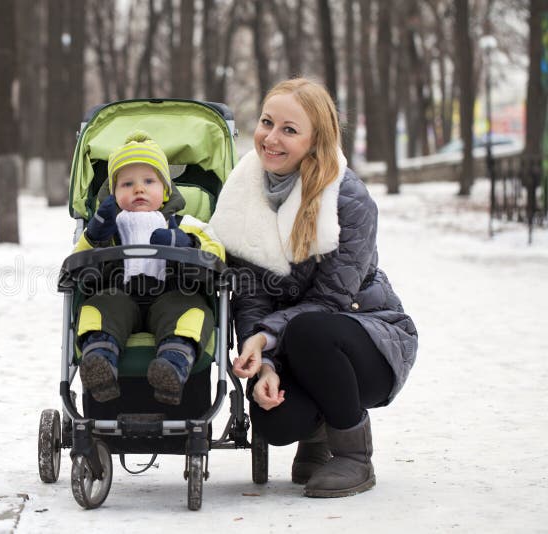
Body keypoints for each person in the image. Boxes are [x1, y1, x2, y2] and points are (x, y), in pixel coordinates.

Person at [209, 78, 418, 498]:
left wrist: (268, 337)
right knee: (276, 422)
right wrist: (262, 359)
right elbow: (250, 298)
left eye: (289, 129)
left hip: (365, 337)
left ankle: (354, 455)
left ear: (316, 139)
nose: (271, 137)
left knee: (311, 331)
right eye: (268, 122)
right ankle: (316, 435)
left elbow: (330, 301)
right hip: (292, 343)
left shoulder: (348, 198)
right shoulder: (243, 195)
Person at [73, 130, 225, 405]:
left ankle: (173, 363)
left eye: (149, 181)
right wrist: (94, 236)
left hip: (174, 294)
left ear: (166, 190)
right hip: (118, 296)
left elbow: (216, 253)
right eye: (127, 183)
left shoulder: (185, 223)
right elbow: (76, 267)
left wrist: (185, 242)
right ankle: (99, 363)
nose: (138, 189)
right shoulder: (107, 229)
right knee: (101, 306)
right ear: (112, 193)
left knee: (189, 310)